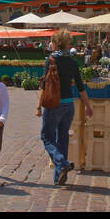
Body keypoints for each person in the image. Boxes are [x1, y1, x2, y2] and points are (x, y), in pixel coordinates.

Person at [37, 28, 92, 186]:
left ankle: (62, 163)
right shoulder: (73, 62)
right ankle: (58, 177)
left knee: (46, 136)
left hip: (54, 104)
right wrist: (88, 106)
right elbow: (81, 87)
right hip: (69, 105)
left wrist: (38, 106)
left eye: (51, 42)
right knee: (62, 139)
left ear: (55, 43)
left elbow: (44, 85)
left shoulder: (51, 60)